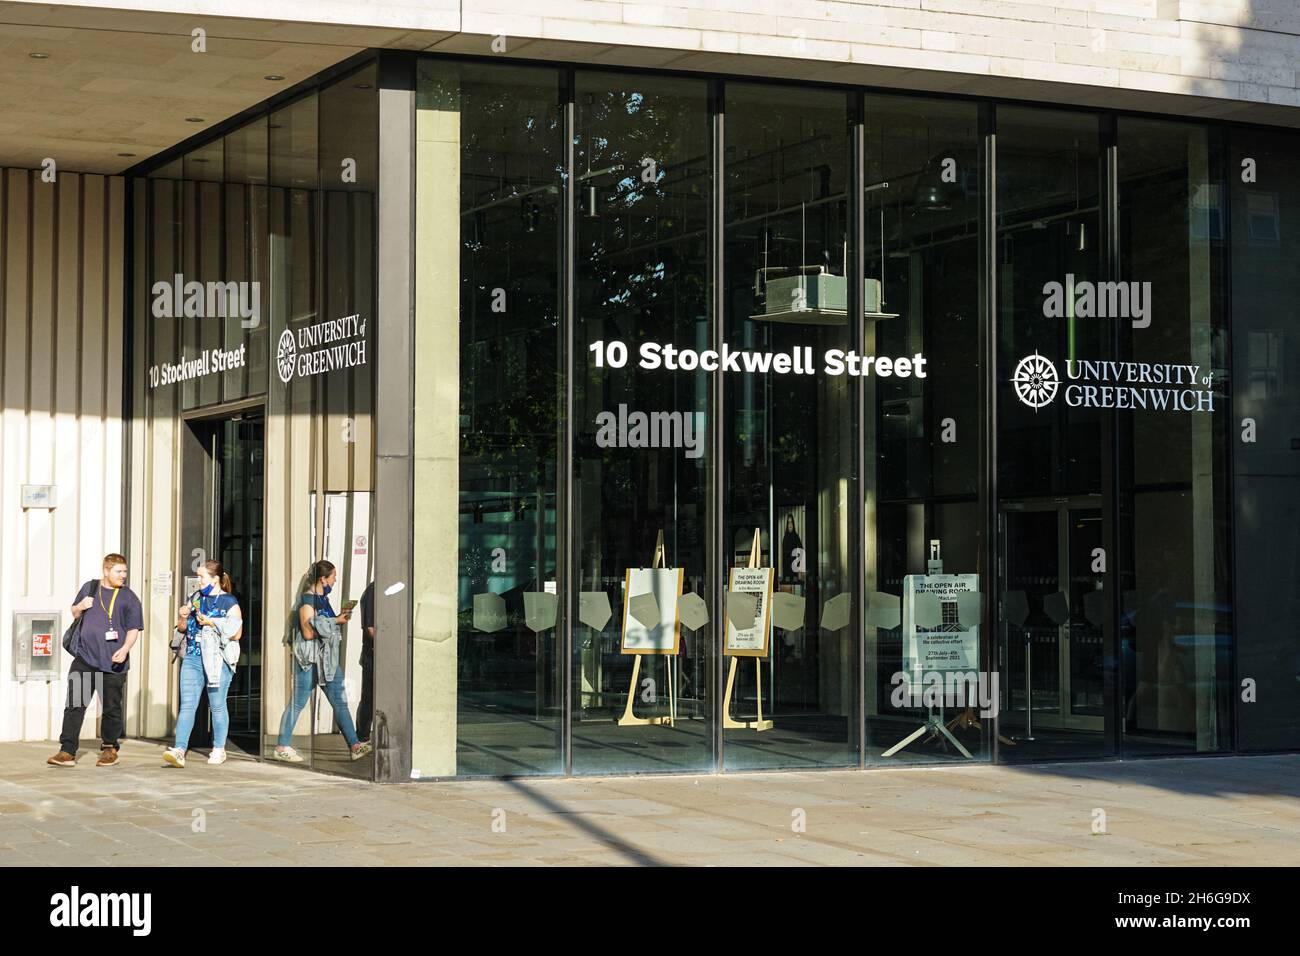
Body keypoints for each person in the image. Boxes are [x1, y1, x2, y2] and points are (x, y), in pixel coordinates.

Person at [47, 554, 144, 768]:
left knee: (111, 707)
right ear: (106, 571)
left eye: (125, 571)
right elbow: (74, 612)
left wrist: (126, 649)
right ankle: (67, 751)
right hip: (85, 659)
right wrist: (80, 606)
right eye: (119, 571)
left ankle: (109, 748)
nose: (123, 576)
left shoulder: (129, 597)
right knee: (75, 705)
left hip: (114, 662)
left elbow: (133, 628)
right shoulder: (90, 588)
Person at [274, 560, 372, 762]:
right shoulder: (308, 600)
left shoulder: (323, 600)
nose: (335, 581)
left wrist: (339, 617)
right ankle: (282, 746)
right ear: (323, 578)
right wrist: (336, 621)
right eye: (333, 577)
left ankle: (355, 745)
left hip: (327, 661)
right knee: (297, 703)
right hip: (309, 661)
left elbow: (323, 625)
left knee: (340, 702)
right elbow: (308, 632)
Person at [162, 560, 243, 768]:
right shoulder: (195, 597)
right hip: (192, 657)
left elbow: (237, 633)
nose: (198, 581)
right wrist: (182, 617)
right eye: (197, 576)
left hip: (217, 659)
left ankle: (219, 749)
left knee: (217, 705)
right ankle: (179, 749)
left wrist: (212, 622)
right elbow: (182, 629)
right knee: (188, 704)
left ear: (215, 579)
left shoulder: (229, 601)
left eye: (201, 577)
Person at [355, 580, 376, 746]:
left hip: (379, 654)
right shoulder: (372, 591)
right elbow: (370, 628)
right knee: (369, 696)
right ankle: (362, 736)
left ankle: (363, 735)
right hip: (373, 655)